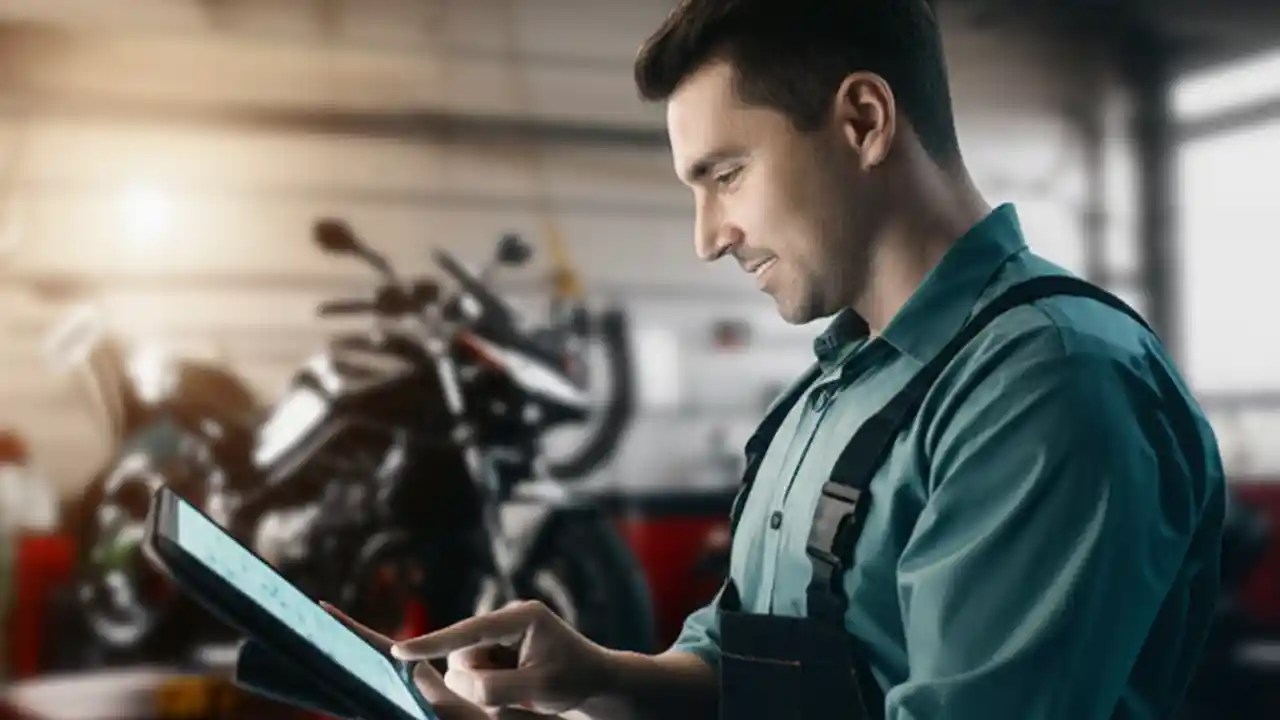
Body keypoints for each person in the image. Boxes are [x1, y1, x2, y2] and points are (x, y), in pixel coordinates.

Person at [241, 1, 1226, 718]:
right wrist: (603, 678)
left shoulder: (1043, 387)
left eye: (724, 174)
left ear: (862, 120)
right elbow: (751, 673)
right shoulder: (829, 391)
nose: (707, 237)